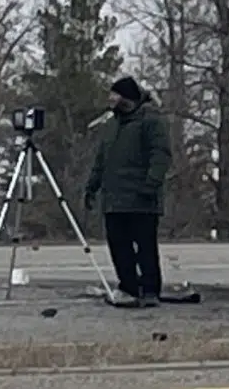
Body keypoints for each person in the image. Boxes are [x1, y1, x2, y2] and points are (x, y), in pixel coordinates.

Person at [84, 76, 172, 308]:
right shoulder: (112, 125)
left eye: (114, 94)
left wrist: (151, 184)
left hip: (142, 198)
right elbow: (101, 160)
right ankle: (129, 287)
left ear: (126, 97)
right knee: (119, 246)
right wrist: (92, 187)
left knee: (145, 246)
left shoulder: (151, 121)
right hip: (114, 199)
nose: (110, 99)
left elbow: (160, 155)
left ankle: (151, 289)